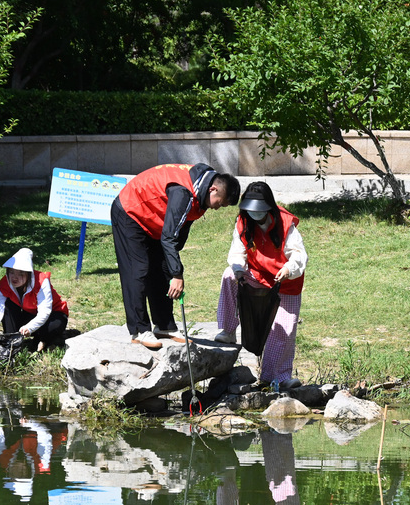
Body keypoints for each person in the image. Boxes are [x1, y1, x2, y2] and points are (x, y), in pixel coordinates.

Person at [111, 163, 239, 350]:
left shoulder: (200, 193)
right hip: (131, 211)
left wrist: (172, 269)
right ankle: (139, 330)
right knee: (137, 270)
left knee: (161, 268)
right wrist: (178, 275)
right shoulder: (184, 193)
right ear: (214, 189)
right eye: (219, 203)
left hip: (154, 219)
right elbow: (169, 237)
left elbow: (177, 235)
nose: (217, 208)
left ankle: (164, 326)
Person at [215, 181, 309, 389]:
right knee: (229, 275)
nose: (254, 215)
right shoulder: (244, 222)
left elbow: (300, 255)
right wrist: (239, 269)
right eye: (250, 211)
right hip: (257, 275)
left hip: (285, 282)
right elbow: (237, 253)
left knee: (283, 330)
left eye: (259, 211)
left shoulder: (286, 224)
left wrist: (289, 269)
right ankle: (228, 331)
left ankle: (276, 378)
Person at [0, 247, 69, 352]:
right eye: (12, 272)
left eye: (21, 274)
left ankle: (42, 340)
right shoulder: (4, 283)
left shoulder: (41, 281)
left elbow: (45, 312)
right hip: (29, 313)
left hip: (54, 313)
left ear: (28, 274)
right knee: (8, 305)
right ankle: (12, 341)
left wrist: (30, 327)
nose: (15, 277)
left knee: (54, 326)